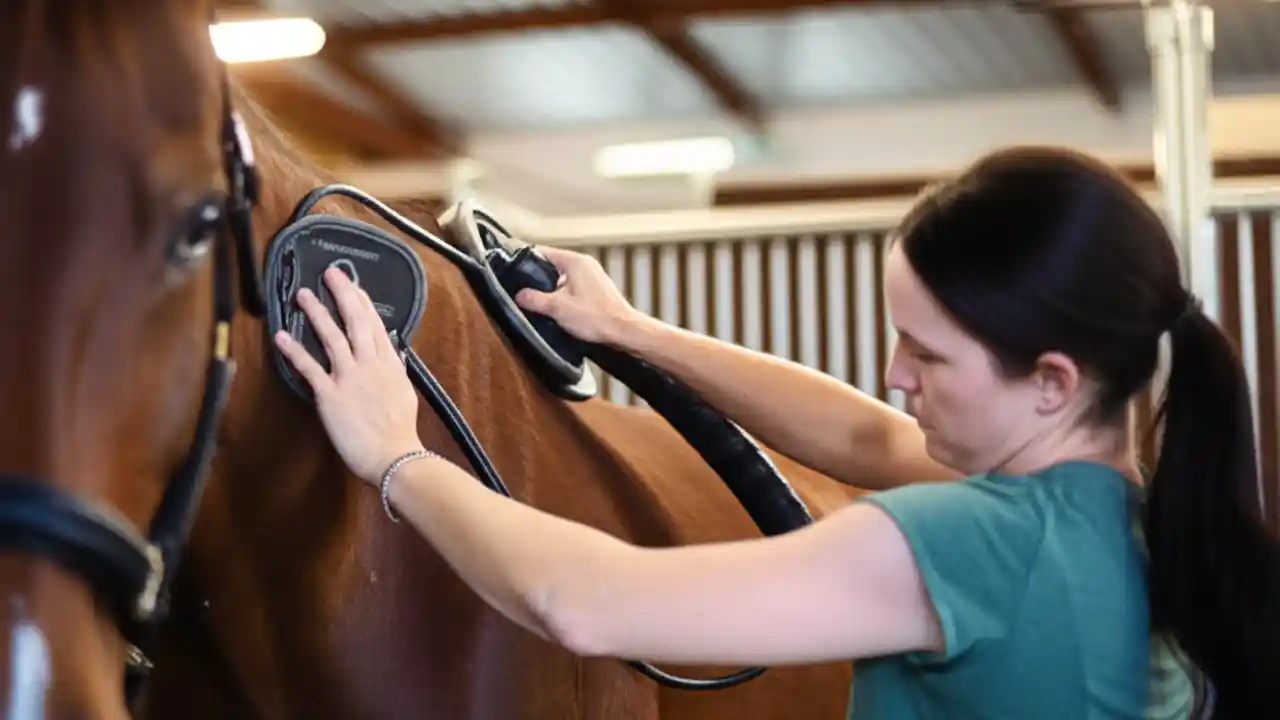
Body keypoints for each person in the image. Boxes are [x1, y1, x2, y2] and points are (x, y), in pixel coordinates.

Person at [273, 147, 1278, 719]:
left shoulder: (975, 546)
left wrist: (393, 455)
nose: (893, 374)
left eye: (924, 355)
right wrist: (627, 331)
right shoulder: (1131, 523)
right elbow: (870, 437)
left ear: (1050, 383)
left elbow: (582, 606)